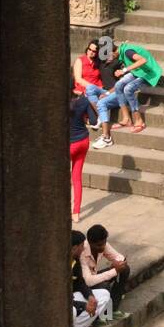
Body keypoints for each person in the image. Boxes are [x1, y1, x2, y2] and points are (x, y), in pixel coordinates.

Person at [92, 41, 162, 146]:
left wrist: (124, 70)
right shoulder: (121, 51)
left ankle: (139, 121)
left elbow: (143, 60)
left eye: (109, 56)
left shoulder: (127, 52)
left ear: (113, 51)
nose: (109, 59)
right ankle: (127, 119)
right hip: (139, 71)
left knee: (128, 89)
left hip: (149, 73)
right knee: (119, 85)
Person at [82, 224, 131, 317]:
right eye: (99, 245)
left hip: (94, 277)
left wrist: (117, 262)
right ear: (90, 243)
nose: (103, 247)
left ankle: (113, 309)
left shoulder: (103, 245)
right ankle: (102, 316)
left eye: (104, 243)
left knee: (125, 269)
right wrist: (114, 271)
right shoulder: (82, 252)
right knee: (103, 285)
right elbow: (88, 281)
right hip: (84, 284)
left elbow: (120, 257)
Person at [71, 230, 112, 327]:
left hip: (75, 295)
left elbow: (80, 282)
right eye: (81, 246)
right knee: (73, 310)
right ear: (74, 248)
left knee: (104, 295)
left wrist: (90, 296)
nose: (84, 248)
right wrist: (84, 306)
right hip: (66, 300)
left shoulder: (75, 260)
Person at [69, 87, 93, 224]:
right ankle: (76, 212)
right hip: (83, 140)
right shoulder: (83, 100)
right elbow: (94, 121)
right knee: (77, 177)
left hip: (70, 144)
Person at [73, 39, 109, 114]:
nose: (91, 52)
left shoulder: (98, 62)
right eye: (89, 49)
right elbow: (78, 79)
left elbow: (99, 79)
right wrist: (92, 87)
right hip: (83, 89)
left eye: (94, 51)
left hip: (96, 90)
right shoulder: (80, 60)